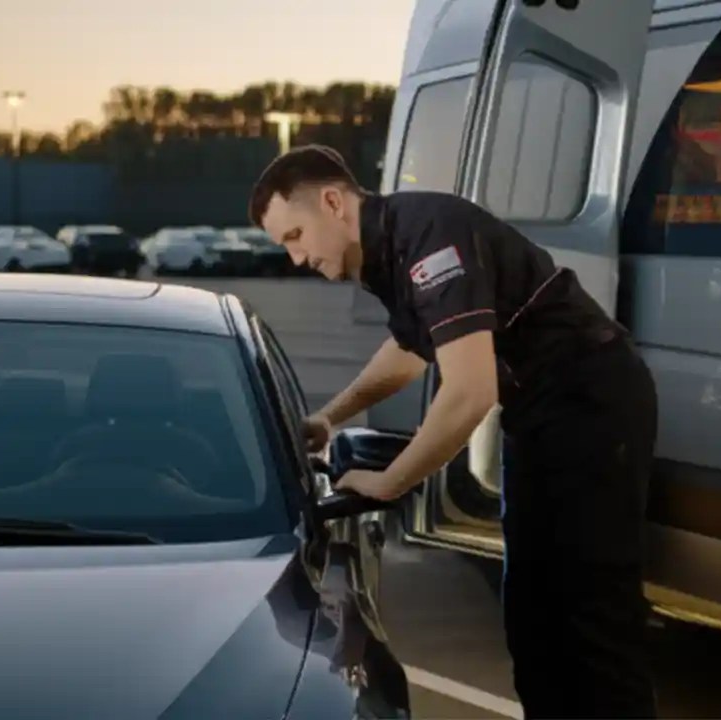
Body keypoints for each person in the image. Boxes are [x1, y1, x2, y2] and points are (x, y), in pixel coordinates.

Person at [249, 144, 658, 719]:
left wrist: (392, 480)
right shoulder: (389, 251)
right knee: (532, 620)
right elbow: (413, 351)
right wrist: (332, 417)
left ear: (333, 202)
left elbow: (470, 389)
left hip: (590, 402)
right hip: (538, 413)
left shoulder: (429, 234)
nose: (295, 258)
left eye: (294, 235)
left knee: (592, 618)